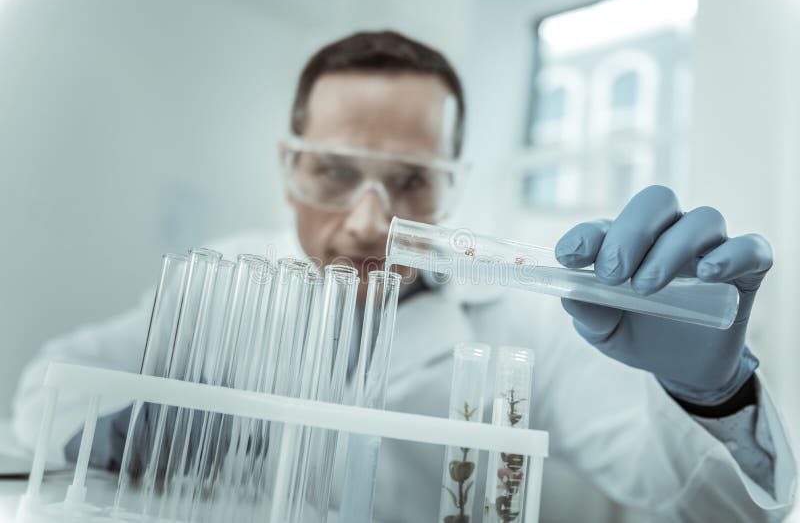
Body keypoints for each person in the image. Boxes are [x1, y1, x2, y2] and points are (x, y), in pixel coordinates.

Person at [13, 31, 796, 522]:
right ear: (288, 169)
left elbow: (710, 505)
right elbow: (47, 390)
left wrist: (712, 396)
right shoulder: (215, 283)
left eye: (412, 180)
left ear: (453, 185)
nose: (365, 221)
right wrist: (108, 429)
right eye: (333, 173)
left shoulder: (528, 326)